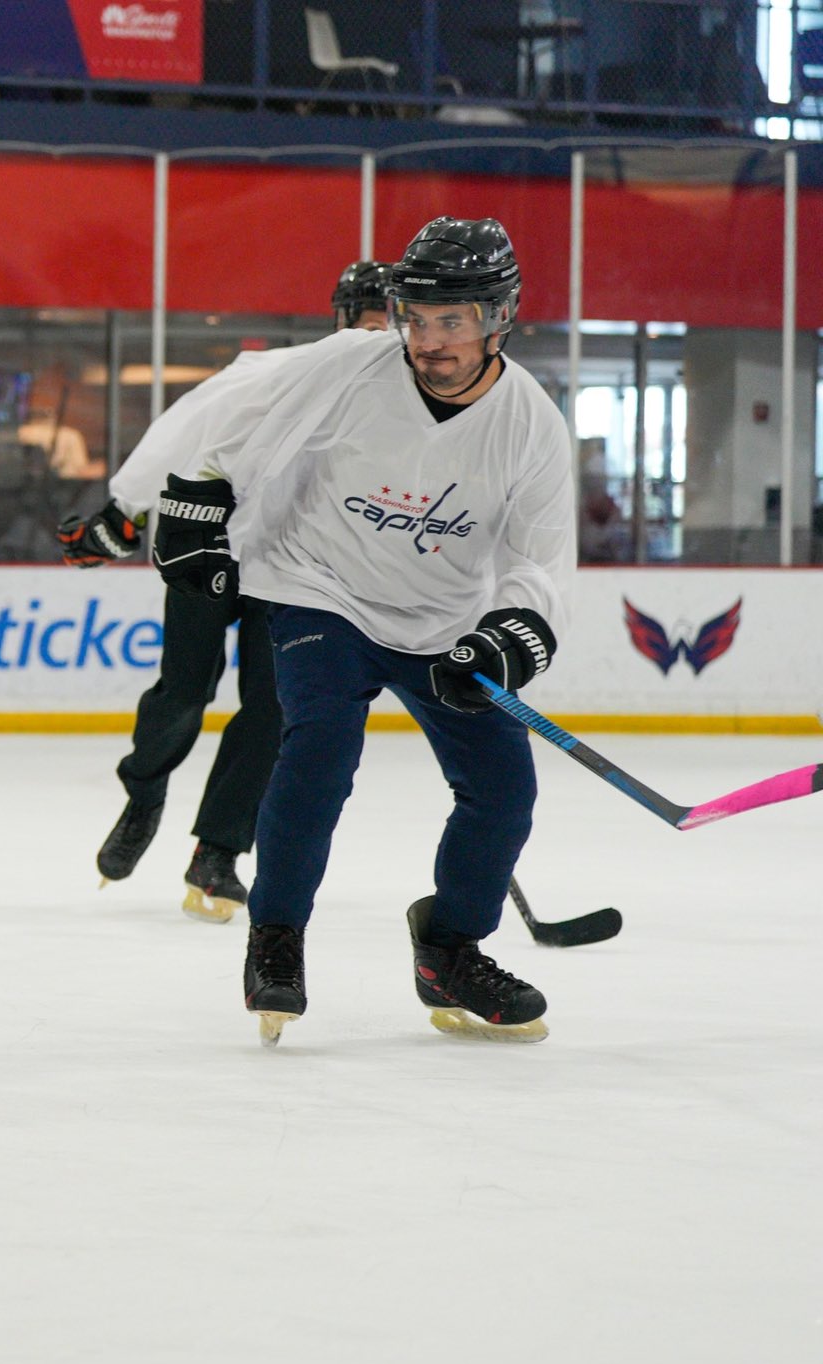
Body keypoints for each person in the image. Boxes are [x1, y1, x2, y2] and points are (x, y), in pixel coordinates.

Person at [140, 218, 573, 1045]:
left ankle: (449, 949)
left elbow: (538, 561)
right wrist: (196, 500)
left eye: (451, 321)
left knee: (504, 789)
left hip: (445, 621)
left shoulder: (531, 425)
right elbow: (233, 424)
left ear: (498, 318)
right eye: (417, 318)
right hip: (320, 588)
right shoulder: (349, 366)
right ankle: (277, 937)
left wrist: (506, 636)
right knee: (320, 749)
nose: (428, 340)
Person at [53, 262, 399, 923]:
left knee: (272, 710)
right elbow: (189, 425)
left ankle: (216, 854)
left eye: (393, 324)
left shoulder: (403, 411)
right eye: (370, 321)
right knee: (184, 692)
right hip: (205, 541)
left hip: (292, 564)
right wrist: (123, 511)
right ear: (343, 320)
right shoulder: (287, 368)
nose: (380, 336)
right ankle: (145, 793)